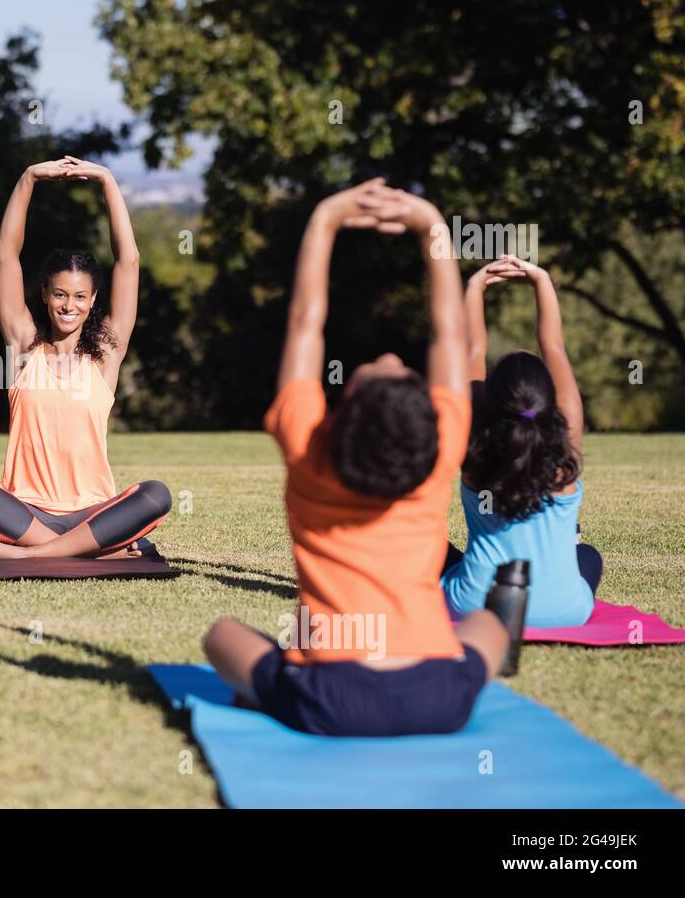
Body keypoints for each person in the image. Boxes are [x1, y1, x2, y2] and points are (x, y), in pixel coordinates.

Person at [202, 179, 510, 737]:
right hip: (436, 695)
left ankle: (271, 693)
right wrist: (431, 225)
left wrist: (325, 220)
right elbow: (449, 337)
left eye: (385, 368)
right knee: (488, 624)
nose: (390, 354)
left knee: (221, 635)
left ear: (344, 412)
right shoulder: (439, 452)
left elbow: (304, 323)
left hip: (331, 696)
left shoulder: (309, 448)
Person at [0, 156, 171, 560]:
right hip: (26, 512)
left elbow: (129, 262)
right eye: (60, 295)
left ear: (93, 301)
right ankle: (85, 551)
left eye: (80, 296)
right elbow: (5, 256)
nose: (69, 306)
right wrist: (28, 177)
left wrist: (106, 179)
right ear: (45, 296)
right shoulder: (23, 347)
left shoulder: (106, 355)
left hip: (94, 512)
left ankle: (33, 553)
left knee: (156, 495)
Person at [441, 254, 598, 627]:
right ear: (549, 403)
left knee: (426, 544)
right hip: (565, 611)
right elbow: (554, 348)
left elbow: (473, 352)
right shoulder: (563, 459)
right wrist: (542, 280)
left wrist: (474, 287)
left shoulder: (475, 452)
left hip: (474, 606)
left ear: (491, 402)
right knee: (588, 556)